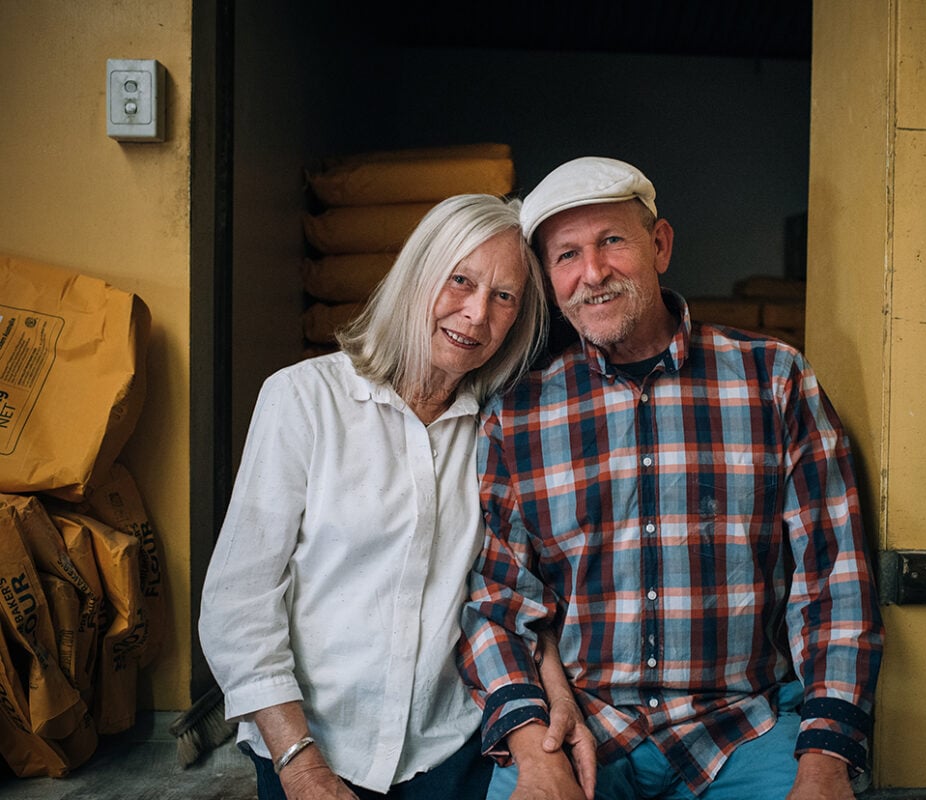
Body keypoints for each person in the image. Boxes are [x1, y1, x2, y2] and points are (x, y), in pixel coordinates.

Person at [458, 158, 885, 800]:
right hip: (583, 731)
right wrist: (532, 752)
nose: (593, 273)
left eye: (612, 242)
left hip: (746, 728)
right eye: (567, 255)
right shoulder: (516, 416)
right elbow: (496, 603)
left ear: (659, 246)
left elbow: (835, 584)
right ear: (548, 279)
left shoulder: (774, 381)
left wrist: (826, 759)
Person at [199, 194, 594, 800]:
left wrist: (553, 686)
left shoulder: (501, 430)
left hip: (452, 750)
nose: (475, 313)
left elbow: (515, 586)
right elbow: (239, 605)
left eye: (504, 296)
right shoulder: (303, 400)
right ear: (417, 275)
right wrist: (302, 768)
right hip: (309, 748)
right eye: (459, 281)